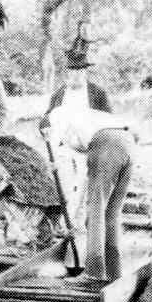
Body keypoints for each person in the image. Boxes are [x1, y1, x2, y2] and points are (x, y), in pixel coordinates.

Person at [42, 43, 136, 282]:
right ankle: (115, 275)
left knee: (94, 213)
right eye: (71, 70)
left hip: (104, 147)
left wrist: (53, 153)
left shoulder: (60, 116)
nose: (76, 74)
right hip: (127, 143)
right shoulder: (59, 100)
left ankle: (93, 274)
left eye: (80, 70)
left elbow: (62, 139)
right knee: (111, 214)